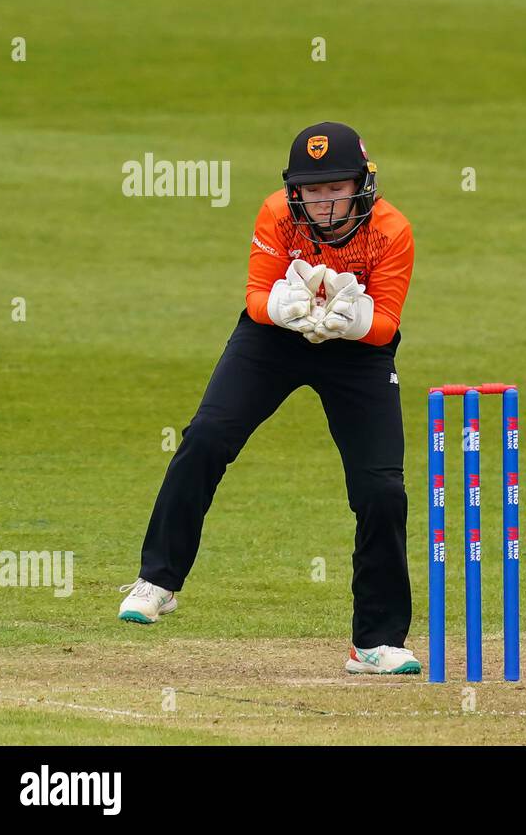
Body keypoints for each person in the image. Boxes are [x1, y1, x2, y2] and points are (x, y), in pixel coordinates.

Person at [118, 121, 421, 675]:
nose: (325, 202)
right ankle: (158, 580)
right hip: (274, 342)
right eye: (313, 190)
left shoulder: (392, 231)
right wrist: (285, 310)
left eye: (336, 188)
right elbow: (257, 297)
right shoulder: (276, 215)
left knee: (381, 489)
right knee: (206, 437)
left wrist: (350, 319)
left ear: (361, 183)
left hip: (357, 354)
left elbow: (385, 327)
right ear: (295, 190)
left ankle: (375, 642)